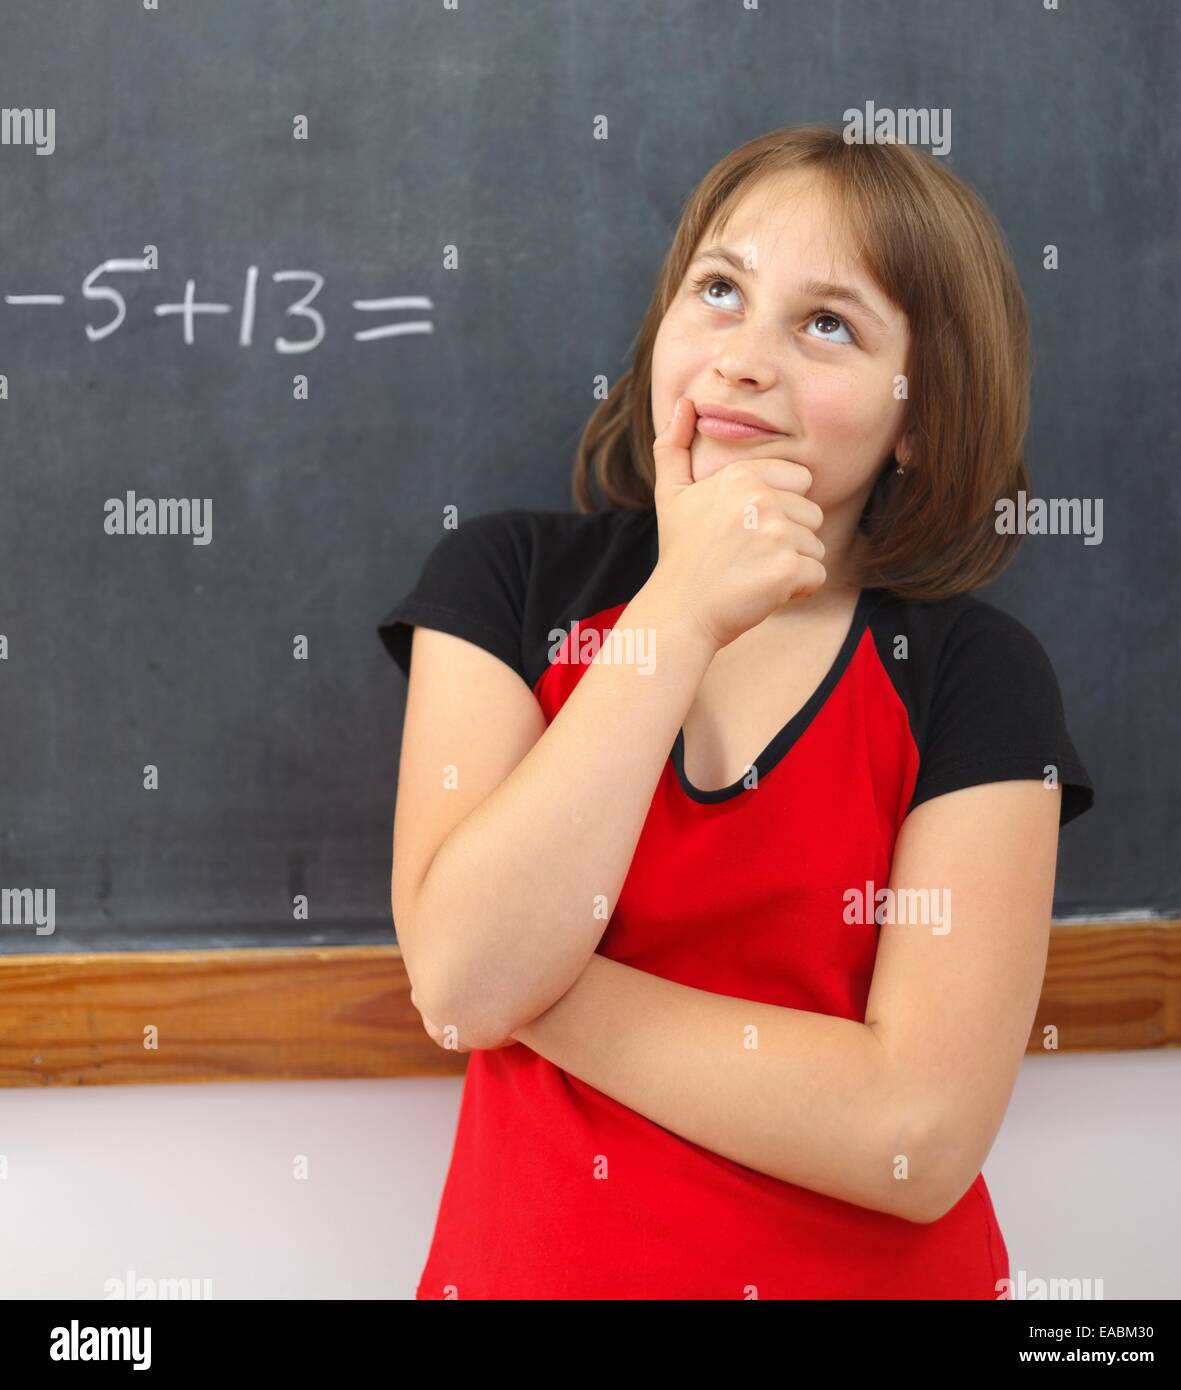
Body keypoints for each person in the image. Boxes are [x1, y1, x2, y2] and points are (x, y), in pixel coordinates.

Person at [377, 124, 1094, 1300]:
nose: (743, 358)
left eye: (827, 324)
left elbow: (911, 1133)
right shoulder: (506, 586)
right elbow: (458, 981)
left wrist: (528, 984)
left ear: (919, 413)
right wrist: (680, 609)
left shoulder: (973, 674)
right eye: (720, 289)